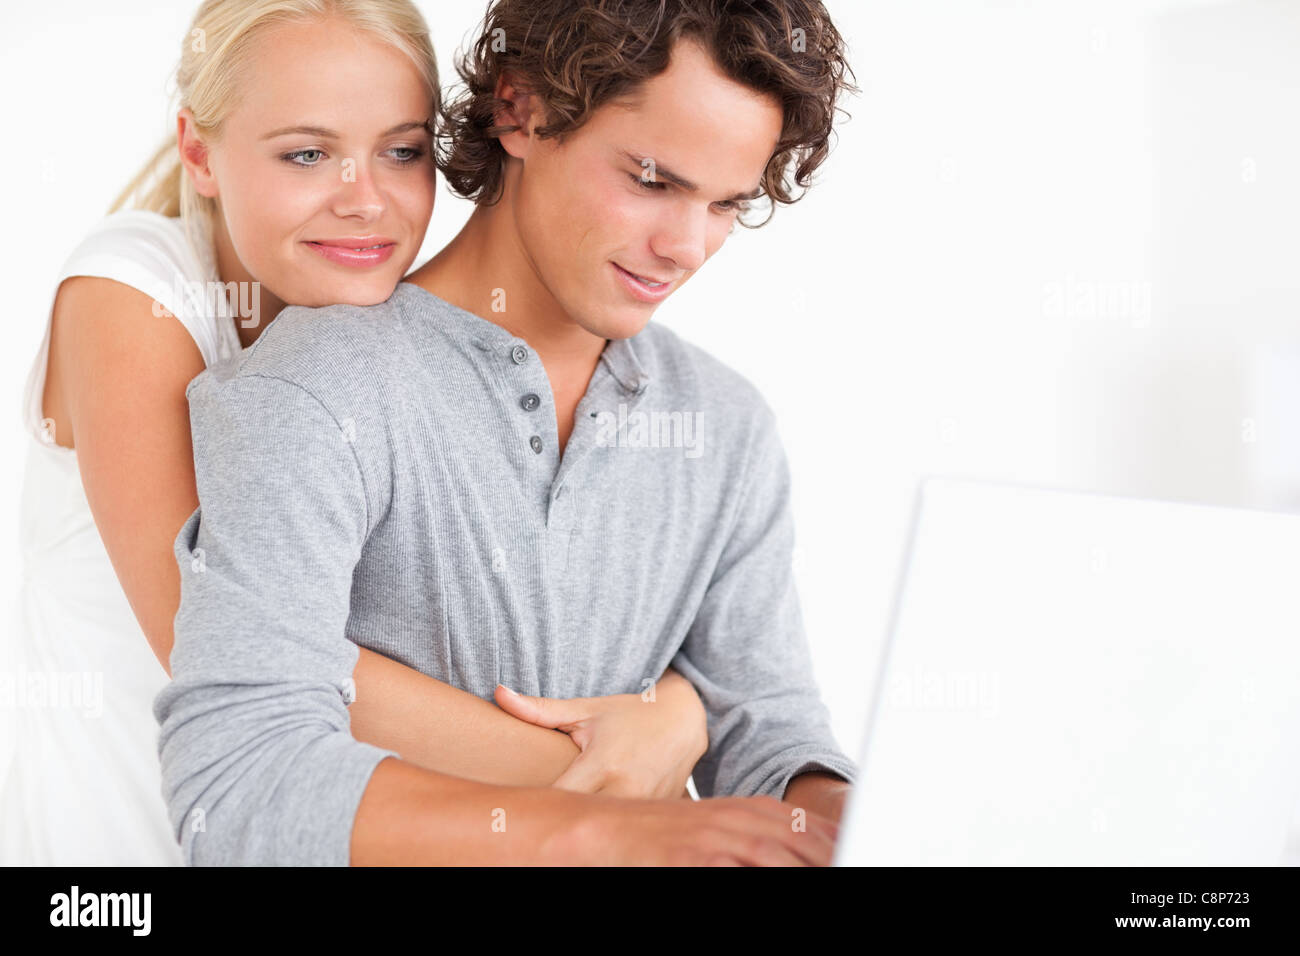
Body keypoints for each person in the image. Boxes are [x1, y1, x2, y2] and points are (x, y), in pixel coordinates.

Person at [1, 0, 706, 866]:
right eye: (307, 154)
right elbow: (235, 652)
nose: (365, 202)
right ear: (199, 151)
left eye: (401, 152)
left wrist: (678, 707)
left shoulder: (371, 346)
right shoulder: (128, 295)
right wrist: (623, 774)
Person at [155, 0, 858, 865]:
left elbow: (769, 726)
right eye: (651, 181)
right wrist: (622, 830)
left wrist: (845, 825)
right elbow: (236, 790)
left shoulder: (727, 425)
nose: (685, 246)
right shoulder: (315, 386)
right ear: (518, 109)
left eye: (726, 204)